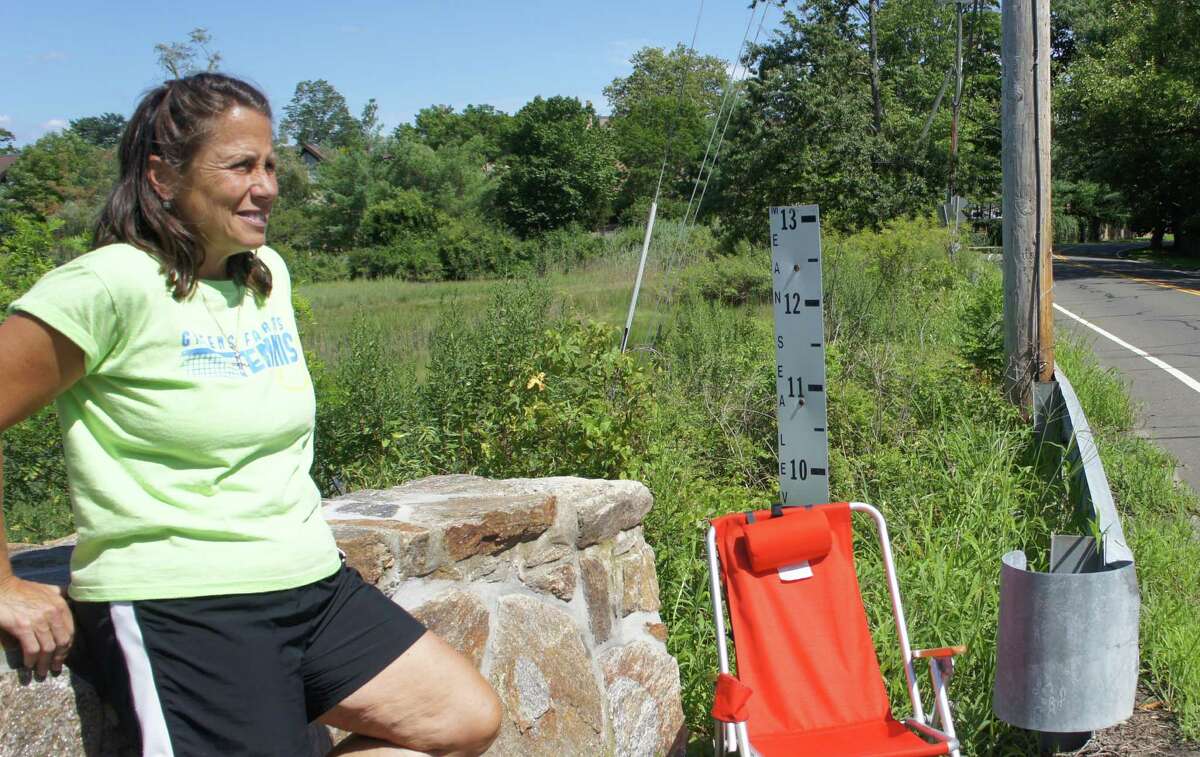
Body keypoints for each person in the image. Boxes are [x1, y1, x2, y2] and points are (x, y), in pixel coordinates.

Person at [0, 73, 501, 756]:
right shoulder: (107, 284)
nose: (266, 186)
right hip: (184, 605)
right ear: (162, 176)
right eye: (240, 165)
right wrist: (4, 584)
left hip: (308, 582)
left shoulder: (265, 272)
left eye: (270, 164)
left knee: (461, 717)